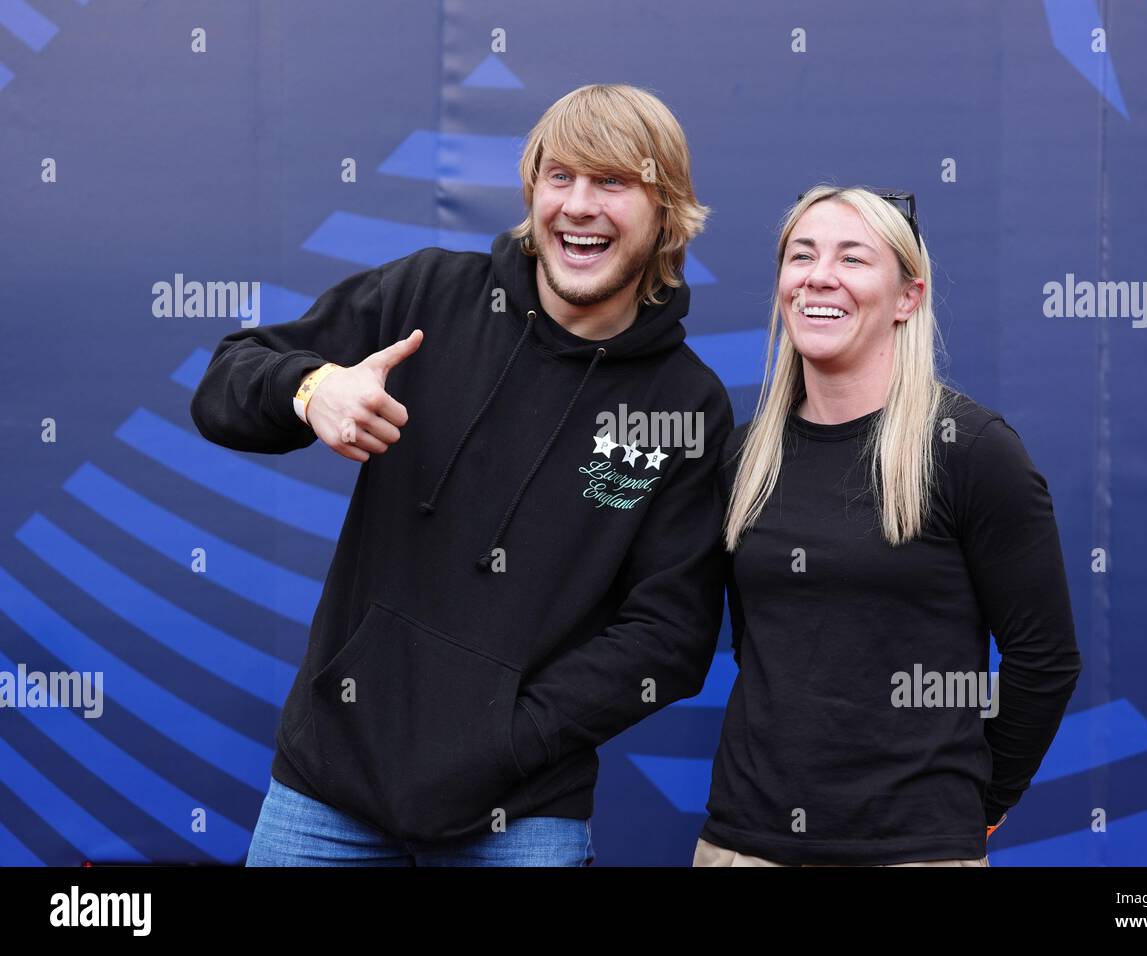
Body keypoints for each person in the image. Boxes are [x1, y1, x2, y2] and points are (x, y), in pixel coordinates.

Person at [189, 83, 733, 866]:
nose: (580, 205)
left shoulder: (686, 404)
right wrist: (311, 390)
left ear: (666, 211)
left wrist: (506, 738)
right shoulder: (426, 297)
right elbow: (225, 385)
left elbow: (669, 638)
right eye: (560, 177)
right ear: (533, 191)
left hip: (522, 814)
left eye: (613, 182)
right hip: (326, 791)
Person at [693, 185, 1082, 867]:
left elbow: (1044, 661)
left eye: (852, 258)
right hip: (742, 845)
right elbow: (754, 644)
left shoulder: (970, 449)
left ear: (907, 297)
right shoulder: (741, 456)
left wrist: (974, 809)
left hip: (916, 850)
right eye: (802, 255)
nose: (819, 276)